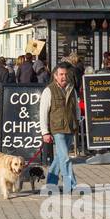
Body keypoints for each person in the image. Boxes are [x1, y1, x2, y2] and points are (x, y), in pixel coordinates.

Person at [39, 63, 80, 194]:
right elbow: (43, 112)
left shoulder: (71, 89)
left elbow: (76, 108)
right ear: (55, 76)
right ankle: (71, 186)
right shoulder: (49, 90)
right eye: (61, 74)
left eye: (65, 74)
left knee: (60, 158)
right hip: (57, 129)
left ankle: (51, 184)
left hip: (70, 127)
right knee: (66, 158)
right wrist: (45, 132)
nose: (64, 77)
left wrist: (77, 121)